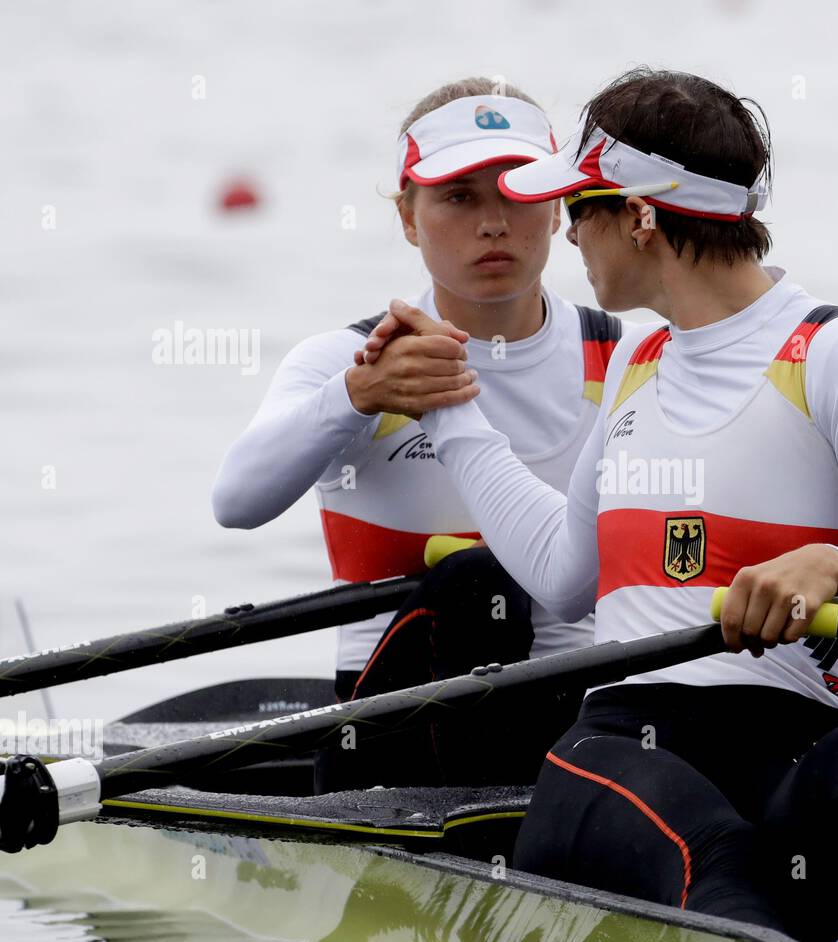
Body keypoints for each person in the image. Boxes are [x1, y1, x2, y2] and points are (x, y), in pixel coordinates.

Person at [363, 68, 838, 942]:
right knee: (709, 849)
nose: (568, 234)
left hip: (798, 750)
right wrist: (457, 409)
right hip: (619, 754)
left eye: (579, 208)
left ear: (640, 215)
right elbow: (563, 579)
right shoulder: (641, 362)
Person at [211, 78, 625, 791]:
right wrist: (359, 396)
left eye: (520, 189)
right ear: (408, 216)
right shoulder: (348, 359)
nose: (493, 222)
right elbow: (236, 502)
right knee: (476, 580)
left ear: (557, 208)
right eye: (460, 197)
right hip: (386, 735)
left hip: (577, 716)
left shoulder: (624, 359)